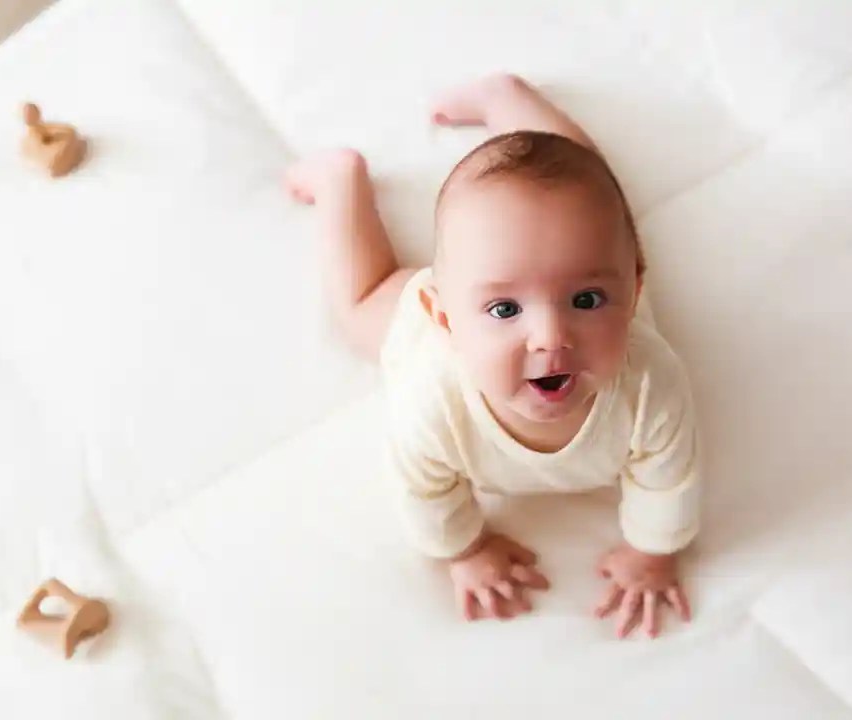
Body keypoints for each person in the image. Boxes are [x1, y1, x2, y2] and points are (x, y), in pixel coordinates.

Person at [285, 74, 699, 639]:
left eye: (586, 299)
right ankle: (339, 183)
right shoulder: (432, 394)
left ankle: (510, 101)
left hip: (555, 276)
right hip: (432, 331)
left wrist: (653, 551)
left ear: (633, 290)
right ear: (446, 315)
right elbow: (424, 488)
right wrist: (466, 549)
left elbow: (669, 478)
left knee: (585, 192)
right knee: (361, 309)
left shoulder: (651, 383)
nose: (551, 338)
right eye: (506, 310)